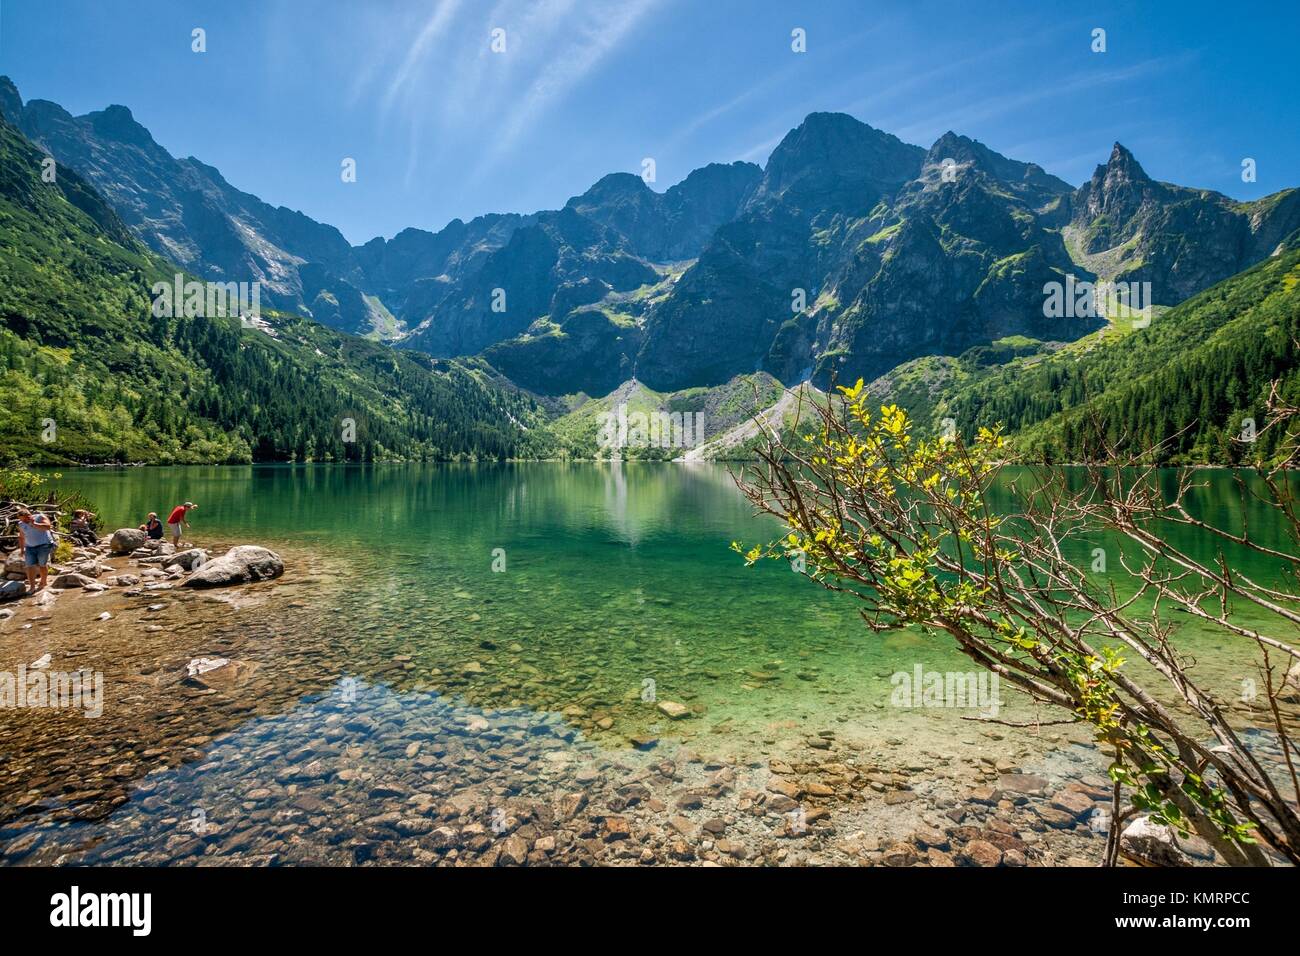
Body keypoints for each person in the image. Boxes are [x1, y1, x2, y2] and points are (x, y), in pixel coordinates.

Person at [16, 508, 55, 593]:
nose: (24, 521)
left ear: (29, 515)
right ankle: (32, 587)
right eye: (21, 519)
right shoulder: (21, 524)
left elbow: (48, 527)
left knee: (42, 564)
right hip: (30, 547)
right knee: (29, 566)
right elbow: (21, 537)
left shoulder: (40, 517)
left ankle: (43, 582)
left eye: (25, 519)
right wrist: (22, 549)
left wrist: (34, 523)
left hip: (44, 545)